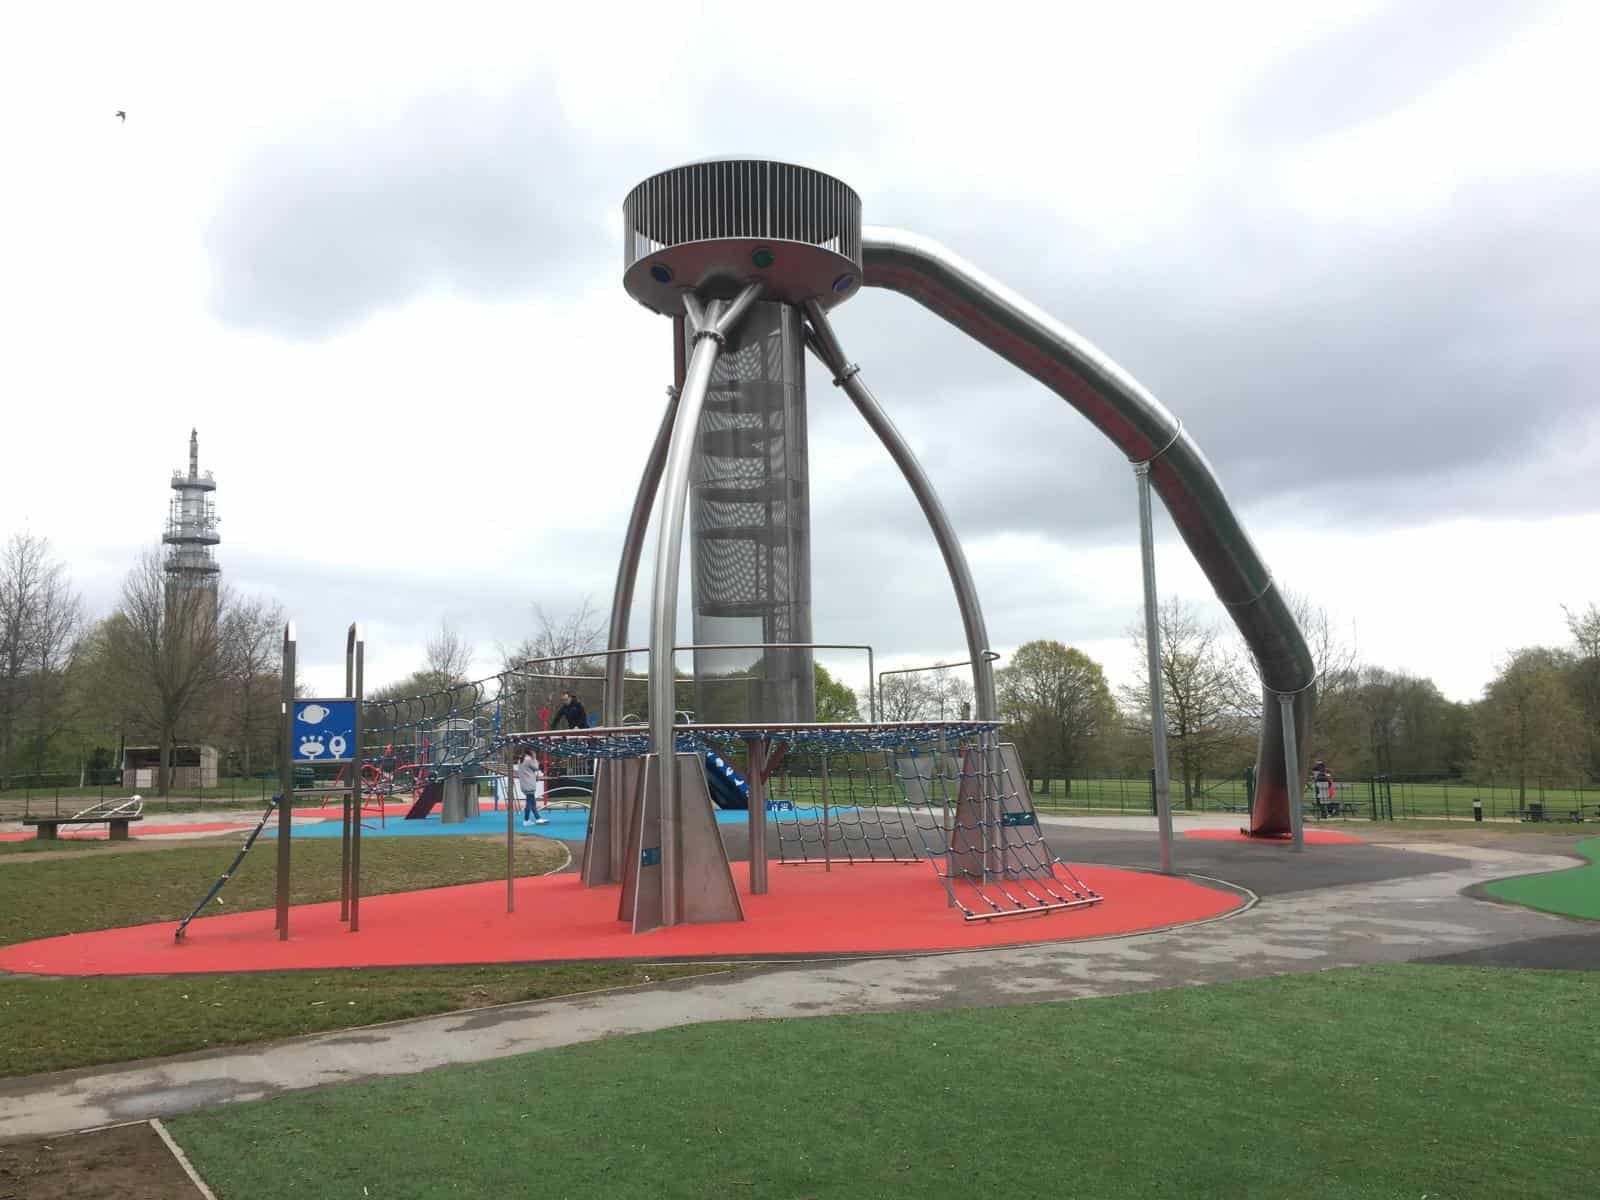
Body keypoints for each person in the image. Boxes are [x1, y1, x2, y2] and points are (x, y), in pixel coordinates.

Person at [515, 745, 547, 825]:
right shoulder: (529, 760)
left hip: (524, 783)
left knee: (531, 802)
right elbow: (536, 767)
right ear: (531, 752)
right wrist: (535, 758)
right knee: (530, 802)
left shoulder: (521, 759)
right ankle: (531, 819)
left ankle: (533, 819)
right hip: (529, 783)